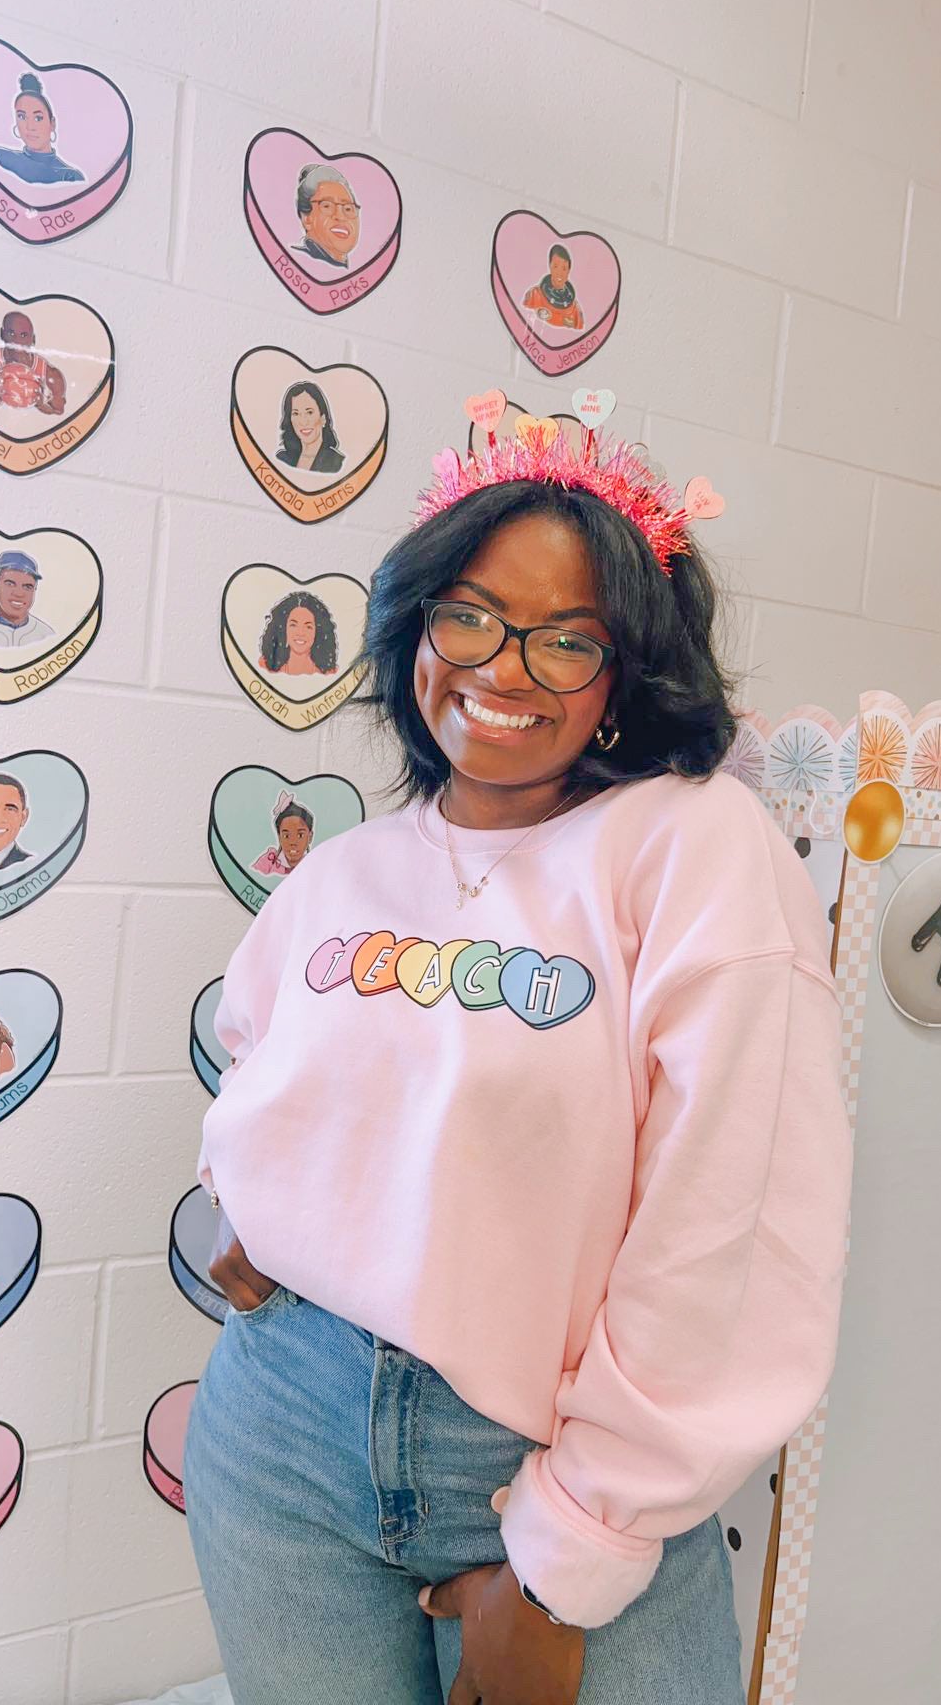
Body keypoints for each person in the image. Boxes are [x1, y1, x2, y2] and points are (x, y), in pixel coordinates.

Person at [183, 427, 854, 1702]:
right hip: (281, 1424)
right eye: (472, 616)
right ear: (416, 631)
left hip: (542, 1448)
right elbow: (256, 1058)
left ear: (626, 671)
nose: (506, 667)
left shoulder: (694, 846)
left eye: (567, 637)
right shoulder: (349, 868)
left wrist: (566, 1553)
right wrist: (258, 1208)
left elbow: (726, 1224)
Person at [0, 70, 86, 185]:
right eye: (22, 116)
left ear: (52, 124)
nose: (30, 127)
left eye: (38, 118)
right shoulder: (0, 157)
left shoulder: (70, 176)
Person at [0, 312, 66, 416]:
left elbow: (59, 411)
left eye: (23, 335)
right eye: (11, 333)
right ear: (2, 334)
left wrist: (41, 405)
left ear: (33, 339)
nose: (16, 341)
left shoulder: (51, 376)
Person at [292, 164, 360, 268]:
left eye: (348, 209)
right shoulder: (297, 259)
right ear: (306, 219)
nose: (340, 216)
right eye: (327, 206)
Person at [257, 591, 339, 677]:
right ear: (283, 628)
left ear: (318, 631)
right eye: (293, 625)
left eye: (308, 627)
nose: (300, 633)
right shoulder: (264, 666)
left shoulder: (330, 673)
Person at [274, 381, 345, 475]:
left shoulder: (337, 463)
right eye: (296, 413)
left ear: (323, 418)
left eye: (309, 412)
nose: (303, 422)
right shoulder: (281, 459)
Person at [521, 242, 584, 331]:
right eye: (555, 266)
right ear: (550, 265)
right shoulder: (534, 296)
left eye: (564, 268)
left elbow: (579, 333)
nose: (559, 273)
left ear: (569, 270)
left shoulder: (575, 311)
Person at [249, 793, 314, 877]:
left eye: (300, 835)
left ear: (310, 837)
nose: (293, 842)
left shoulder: (314, 864)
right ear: (279, 837)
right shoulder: (268, 861)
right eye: (286, 836)